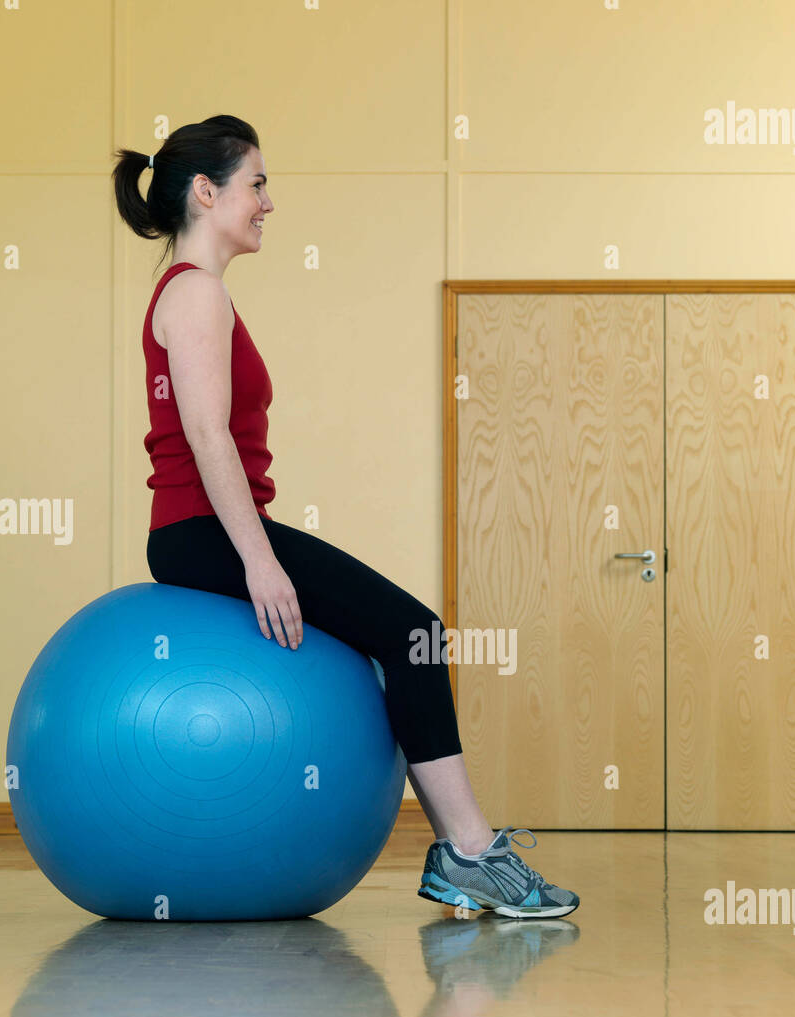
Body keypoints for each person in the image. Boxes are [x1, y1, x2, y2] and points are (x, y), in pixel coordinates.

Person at [111, 114, 578, 920]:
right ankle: (470, 853)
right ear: (205, 191)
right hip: (203, 533)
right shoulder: (197, 294)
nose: (266, 202)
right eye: (256, 184)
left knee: (406, 634)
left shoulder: (191, 292)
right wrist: (259, 561)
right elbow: (206, 436)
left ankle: (466, 853)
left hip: (201, 530)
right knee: (415, 633)